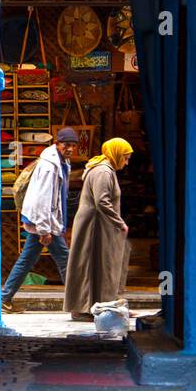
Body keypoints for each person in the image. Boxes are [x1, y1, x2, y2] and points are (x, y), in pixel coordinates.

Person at [1, 128, 81, 314]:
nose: (69, 149)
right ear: (57, 144)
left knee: (27, 259)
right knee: (64, 260)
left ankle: (5, 298)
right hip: (44, 222)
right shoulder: (49, 166)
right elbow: (43, 198)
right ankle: (77, 303)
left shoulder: (61, 162)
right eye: (66, 144)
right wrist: (45, 230)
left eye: (73, 145)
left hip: (44, 221)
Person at [63, 137, 134, 320]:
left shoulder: (104, 169)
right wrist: (120, 223)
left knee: (98, 265)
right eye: (125, 158)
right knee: (90, 265)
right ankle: (84, 308)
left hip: (98, 224)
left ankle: (104, 306)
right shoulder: (103, 172)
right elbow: (102, 201)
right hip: (93, 226)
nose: (126, 163)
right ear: (116, 154)